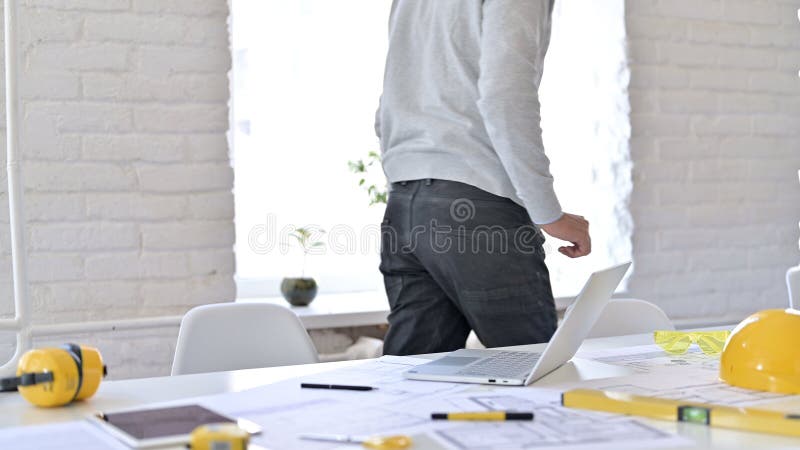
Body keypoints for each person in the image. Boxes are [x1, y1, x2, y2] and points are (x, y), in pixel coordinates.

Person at [375, 0, 591, 356]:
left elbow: (389, 105)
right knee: (534, 368)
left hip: (405, 203)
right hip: (476, 205)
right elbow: (505, 95)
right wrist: (548, 214)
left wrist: (409, 192)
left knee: (412, 377)